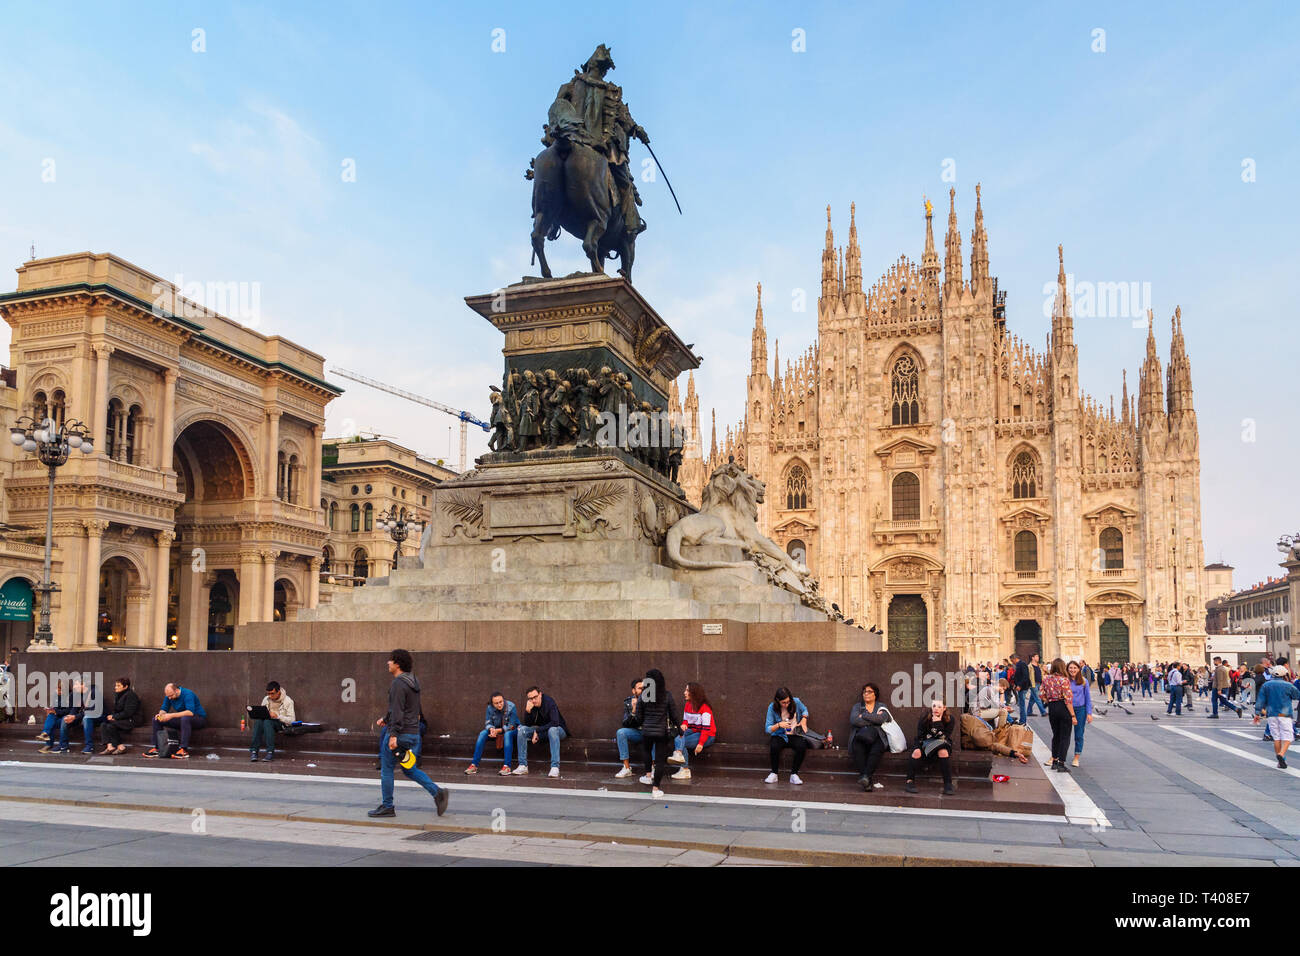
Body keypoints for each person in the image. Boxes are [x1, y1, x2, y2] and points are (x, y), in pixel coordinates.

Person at [369, 649, 447, 817]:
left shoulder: (398, 683)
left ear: (397, 663)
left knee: (387, 768)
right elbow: (405, 708)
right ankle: (438, 793)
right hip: (413, 733)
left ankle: (387, 806)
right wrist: (386, 718)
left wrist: (393, 735)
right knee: (409, 769)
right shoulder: (413, 681)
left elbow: (397, 710)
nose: (387, 663)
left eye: (390, 660)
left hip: (400, 733)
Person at [635, 668, 681, 797]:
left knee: (647, 751)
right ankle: (655, 789)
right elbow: (674, 715)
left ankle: (648, 775)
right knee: (660, 760)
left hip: (647, 731)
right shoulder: (667, 695)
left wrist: (645, 722)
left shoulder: (644, 696)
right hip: (661, 732)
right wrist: (679, 728)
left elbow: (638, 717)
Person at [515, 685, 568, 778]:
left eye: (535, 697)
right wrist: (527, 711)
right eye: (530, 698)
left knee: (552, 730)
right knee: (522, 729)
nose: (533, 700)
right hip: (542, 732)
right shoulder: (531, 705)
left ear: (540, 694)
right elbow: (528, 724)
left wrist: (537, 731)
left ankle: (555, 767)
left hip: (559, 730)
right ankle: (523, 765)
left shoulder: (549, 702)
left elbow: (555, 722)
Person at [905, 700, 956, 795]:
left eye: (939, 706)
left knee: (943, 752)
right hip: (925, 742)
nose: (936, 708)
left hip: (942, 742)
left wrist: (938, 723)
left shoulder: (950, 719)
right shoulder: (925, 717)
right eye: (934, 706)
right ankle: (909, 781)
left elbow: (945, 737)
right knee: (916, 752)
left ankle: (948, 784)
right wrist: (919, 747)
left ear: (944, 708)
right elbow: (920, 736)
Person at [1254, 665, 1300, 770]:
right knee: (1288, 737)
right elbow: (1297, 695)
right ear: (1284, 674)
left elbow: (1260, 700)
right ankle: (1281, 754)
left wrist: (1257, 713)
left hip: (1271, 714)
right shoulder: (1288, 685)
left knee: (1277, 737)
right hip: (1285, 714)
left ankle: (1281, 760)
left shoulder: (1266, 685)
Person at [144, 683, 207, 759]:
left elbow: (190, 712)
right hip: (182, 719)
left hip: (198, 719)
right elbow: (164, 709)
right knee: (156, 719)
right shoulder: (169, 696)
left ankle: (184, 750)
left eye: (171, 695)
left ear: (177, 691)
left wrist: (170, 715)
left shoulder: (188, 694)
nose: (169, 698)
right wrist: (161, 714)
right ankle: (157, 748)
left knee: (185, 718)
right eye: (168, 696)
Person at [849, 682, 893, 790]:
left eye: (869, 691)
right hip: (860, 735)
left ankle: (866, 778)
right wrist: (873, 719)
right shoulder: (857, 706)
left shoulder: (881, 706)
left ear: (875, 694)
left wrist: (864, 715)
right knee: (857, 748)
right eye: (864, 692)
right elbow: (854, 720)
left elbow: (882, 718)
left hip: (878, 736)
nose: (866, 694)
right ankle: (867, 779)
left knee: (877, 749)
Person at [669, 681, 716, 780]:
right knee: (679, 735)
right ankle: (678, 753)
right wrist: (684, 725)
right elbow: (686, 720)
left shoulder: (705, 708)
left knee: (683, 743)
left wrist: (701, 743)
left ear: (694, 693)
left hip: (707, 735)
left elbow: (706, 729)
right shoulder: (688, 705)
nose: (684, 692)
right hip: (694, 731)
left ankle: (685, 769)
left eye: (687, 690)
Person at [764, 686, 810, 784]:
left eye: (788, 701)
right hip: (780, 735)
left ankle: (794, 774)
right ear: (777, 701)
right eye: (783, 702)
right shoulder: (772, 707)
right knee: (774, 746)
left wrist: (804, 719)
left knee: (802, 746)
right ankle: (774, 773)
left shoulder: (796, 702)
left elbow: (805, 710)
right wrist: (778, 725)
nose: (786, 704)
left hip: (794, 734)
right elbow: (767, 729)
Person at [467, 691, 518, 775]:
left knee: (508, 735)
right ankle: (474, 765)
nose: (499, 705)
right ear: (492, 703)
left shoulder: (511, 706)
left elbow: (511, 726)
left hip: (512, 731)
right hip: (496, 730)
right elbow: (488, 722)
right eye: (496, 703)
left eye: (501, 702)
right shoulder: (489, 708)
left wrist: (498, 730)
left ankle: (507, 767)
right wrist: (491, 729)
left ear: (504, 700)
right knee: (482, 733)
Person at [1040, 658, 1075, 773]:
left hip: (1052, 708)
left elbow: (1041, 694)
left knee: (1056, 735)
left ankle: (1054, 761)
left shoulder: (1046, 679)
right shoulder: (1064, 680)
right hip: (1063, 708)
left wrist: (1049, 701)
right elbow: (1068, 699)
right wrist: (1073, 715)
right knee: (1065, 736)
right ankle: (1061, 764)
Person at [50, 677, 100, 755]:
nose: (74, 687)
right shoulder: (77, 694)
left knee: (87, 718)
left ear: (83, 685)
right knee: (65, 718)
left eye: (76, 684)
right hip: (82, 716)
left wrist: (75, 717)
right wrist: (70, 716)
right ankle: (63, 746)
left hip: (98, 717)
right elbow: (75, 708)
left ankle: (89, 746)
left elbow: (91, 710)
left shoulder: (94, 693)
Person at [249, 680, 295, 762]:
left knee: (267, 722)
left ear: (278, 692)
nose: (270, 696)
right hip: (267, 721)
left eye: (272, 693)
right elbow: (262, 711)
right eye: (268, 693)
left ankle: (270, 752)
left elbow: (292, 720)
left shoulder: (288, 701)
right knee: (259, 721)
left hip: (281, 723)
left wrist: (278, 716)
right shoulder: (266, 699)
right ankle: (254, 751)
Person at [959, 712, 1030, 763]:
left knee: (1003, 711)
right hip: (978, 719)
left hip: (979, 721)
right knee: (1003, 712)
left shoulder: (970, 721)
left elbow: (998, 747)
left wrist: (1017, 754)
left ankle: (1000, 730)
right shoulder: (976, 742)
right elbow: (997, 747)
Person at [101, 677, 140, 754]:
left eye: (118, 686)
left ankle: (121, 746)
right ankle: (110, 747)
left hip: (132, 720)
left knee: (110, 725)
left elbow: (128, 712)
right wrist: (112, 716)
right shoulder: (118, 695)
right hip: (122, 719)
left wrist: (115, 717)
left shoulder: (131, 695)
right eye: (116, 685)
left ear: (125, 687)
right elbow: (117, 710)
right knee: (103, 724)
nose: (116, 687)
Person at [615, 678, 645, 779]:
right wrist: (634, 709)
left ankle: (653, 768)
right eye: (640, 688)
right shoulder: (628, 702)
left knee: (653, 733)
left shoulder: (650, 701)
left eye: (644, 688)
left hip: (648, 731)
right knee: (621, 732)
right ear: (634, 690)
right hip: (636, 732)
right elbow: (626, 724)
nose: (642, 690)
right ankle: (627, 768)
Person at [1066, 660, 1093, 767]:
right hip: (1067, 709)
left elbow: (1088, 698)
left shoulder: (1084, 681)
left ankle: (1076, 757)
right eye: (1070, 668)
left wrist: (1089, 713)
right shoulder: (1065, 681)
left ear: (1079, 669)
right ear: (1067, 669)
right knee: (1065, 734)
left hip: (1080, 710)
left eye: (1075, 668)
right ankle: (1060, 755)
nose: (1072, 670)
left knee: (1079, 734)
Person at [1011, 653, 1031, 724]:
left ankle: (1023, 720)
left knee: (1022, 704)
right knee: (1021, 704)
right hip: (1021, 687)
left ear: (1015, 659)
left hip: (1023, 687)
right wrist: (1015, 684)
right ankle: (1022, 719)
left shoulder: (1022, 664)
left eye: (1012, 660)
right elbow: (1019, 676)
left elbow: (1025, 676)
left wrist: (1019, 685)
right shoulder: (1018, 665)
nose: (1012, 662)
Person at [1026, 653, 1048, 718]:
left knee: (1032, 699)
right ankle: (1043, 712)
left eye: (1038, 656)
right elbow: (1028, 676)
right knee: (1038, 698)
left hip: (1039, 683)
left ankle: (1029, 712)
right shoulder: (1029, 666)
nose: (1038, 658)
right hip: (1033, 684)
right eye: (1036, 656)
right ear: (1032, 658)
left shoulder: (1039, 665)